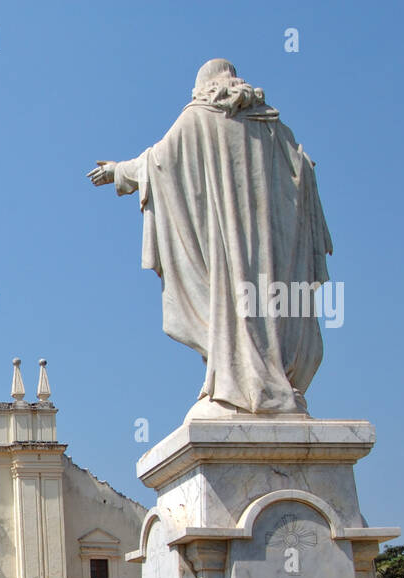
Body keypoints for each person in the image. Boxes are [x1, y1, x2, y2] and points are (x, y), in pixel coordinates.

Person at [88, 59, 332, 416]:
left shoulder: (198, 117)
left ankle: (234, 384)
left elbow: (159, 161)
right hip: (274, 252)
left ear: (204, 86)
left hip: (227, 249)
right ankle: (273, 378)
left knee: (231, 306)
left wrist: (116, 172)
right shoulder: (274, 128)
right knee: (272, 306)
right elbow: (303, 170)